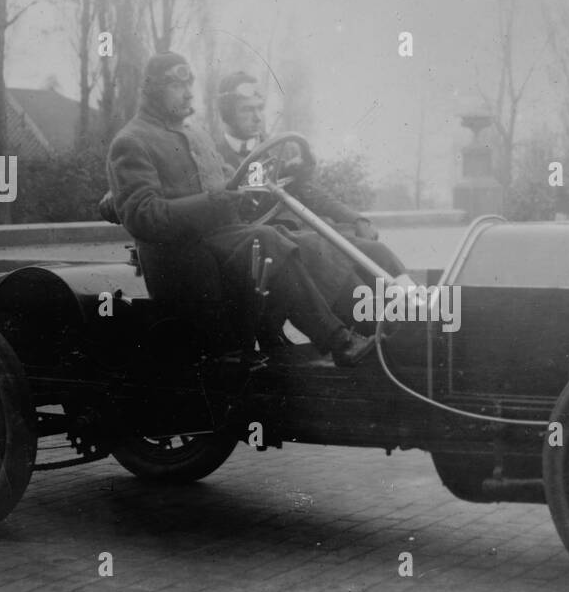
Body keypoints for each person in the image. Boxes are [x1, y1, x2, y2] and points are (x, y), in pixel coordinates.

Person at [106, 52, 376, 366]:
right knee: (267, 239)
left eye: (189, 84)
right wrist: (212, 203)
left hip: (219, 242)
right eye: (176, 85)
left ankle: (370, 326)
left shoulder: (195, 135)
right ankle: (337, 340)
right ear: (151, 88)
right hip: (181, 256)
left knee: (310, 243)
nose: (188, 93)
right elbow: (142, 215)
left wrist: (264, 184)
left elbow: (229, 181)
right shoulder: (132, 141)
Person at [215, 71, 406, 280]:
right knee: (344, 278)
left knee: (379, 254)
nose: (257, 117)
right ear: (227, 113)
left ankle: (419, 309)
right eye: (247, 110)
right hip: (267, 248)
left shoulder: (278, 151)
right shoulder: (213, 156)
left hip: (299, 236)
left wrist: (355, 219)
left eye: (260, 108)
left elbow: (311, 192)